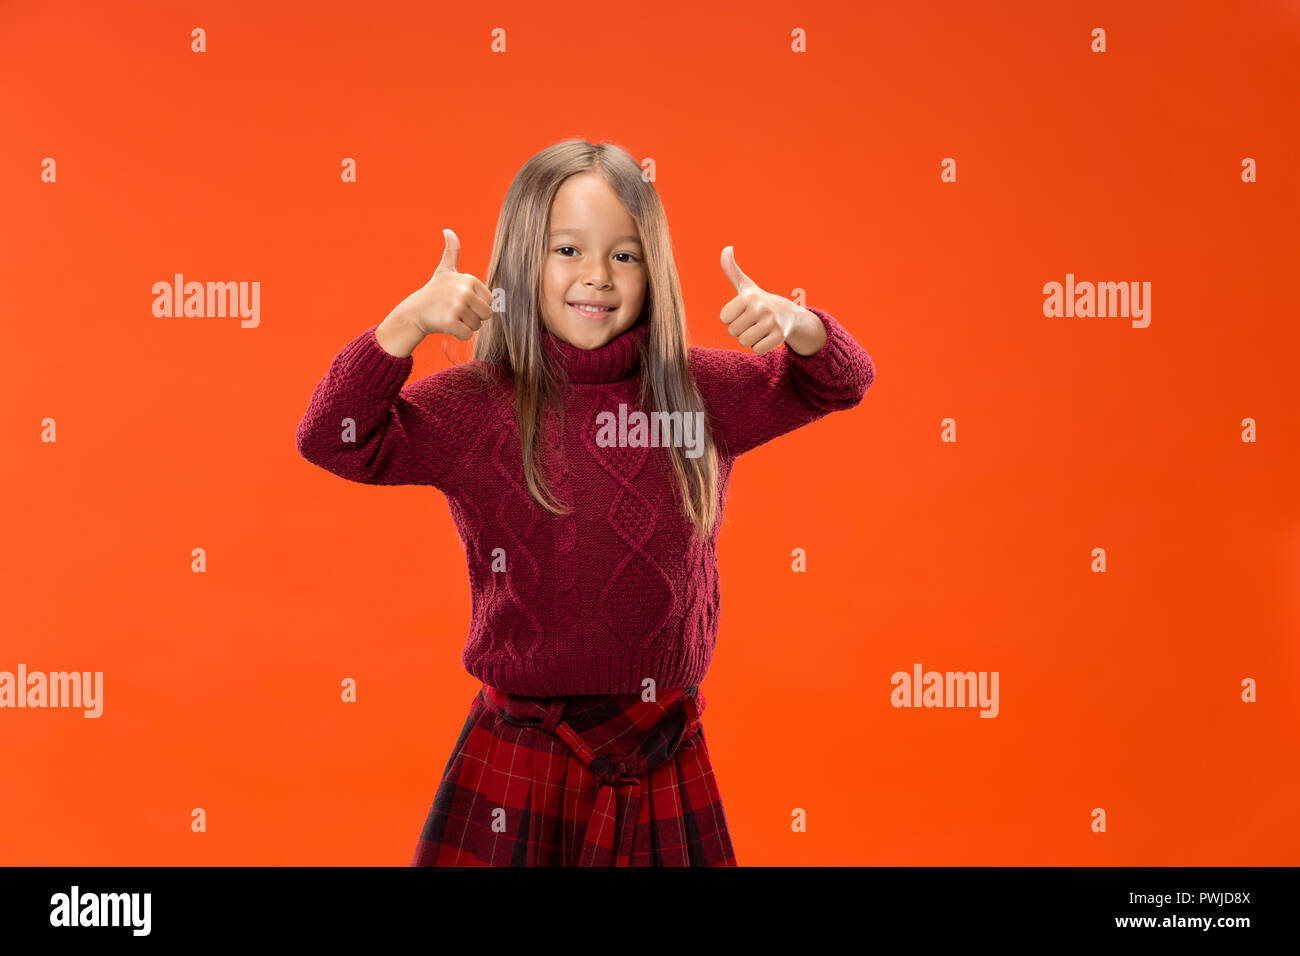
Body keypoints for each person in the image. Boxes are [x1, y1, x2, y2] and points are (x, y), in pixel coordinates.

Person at [295, 139, 876, 866]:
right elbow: (332, 439)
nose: (596, 277)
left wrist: (799, 326)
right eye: (566, 250)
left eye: (624, 255)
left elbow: (841, 381)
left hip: (664, 747)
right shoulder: (477, 407)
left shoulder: (693, 398)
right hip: (523, 758)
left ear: (652, 270)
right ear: (521, 263)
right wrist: (402, 328)